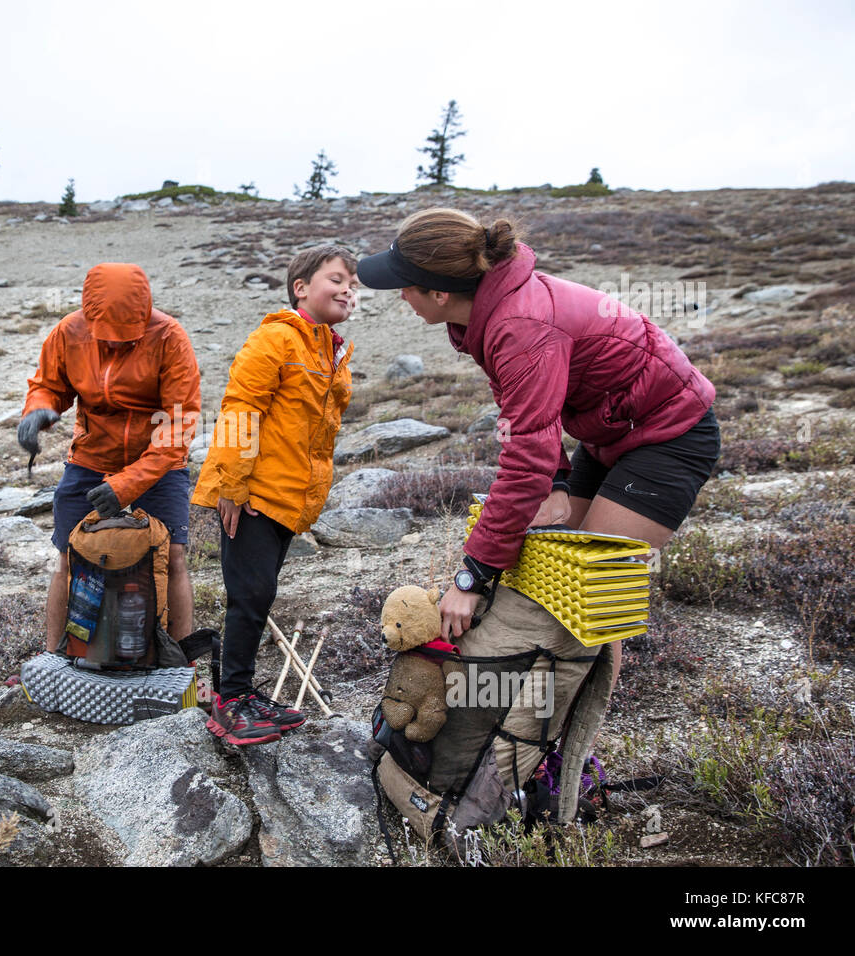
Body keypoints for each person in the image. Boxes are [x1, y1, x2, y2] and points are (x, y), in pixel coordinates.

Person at [356, 209, 719, 682]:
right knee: (552, 577)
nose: (401, 295)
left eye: (405, 285)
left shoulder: (520, 324)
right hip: (608, 434)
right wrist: (556, 478)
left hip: (672, 435)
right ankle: (537, 725)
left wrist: (471, 577)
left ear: (440, 292)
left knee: (594, 594)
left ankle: (579, 745)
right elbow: (522, 414)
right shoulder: (488, 311)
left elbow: (524, 457)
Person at [191, 245, 357, 744]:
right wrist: (232, 487)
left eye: (353, 283)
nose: (348, 289)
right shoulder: (276, 338)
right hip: (254, 493)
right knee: (251, 595)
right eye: (337, 279)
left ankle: (241, 693)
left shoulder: (330, 349)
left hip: (288, 498)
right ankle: (229, 703)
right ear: (300, 287)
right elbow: (241, 409)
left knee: (259, 594)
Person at [18, 262, 201, 653]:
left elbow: (177, 427)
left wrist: (125, 485)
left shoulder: (169, 337)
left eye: (127, 338)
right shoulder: (69, 331)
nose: (116, 345)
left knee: (173, 557)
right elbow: (50, 385)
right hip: (90, 457)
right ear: (89, 313)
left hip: (158, 463)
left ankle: (183, 663)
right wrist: (38, 410)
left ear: (145, 312)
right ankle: (55, 655)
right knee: (68, 556)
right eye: (108, 338)